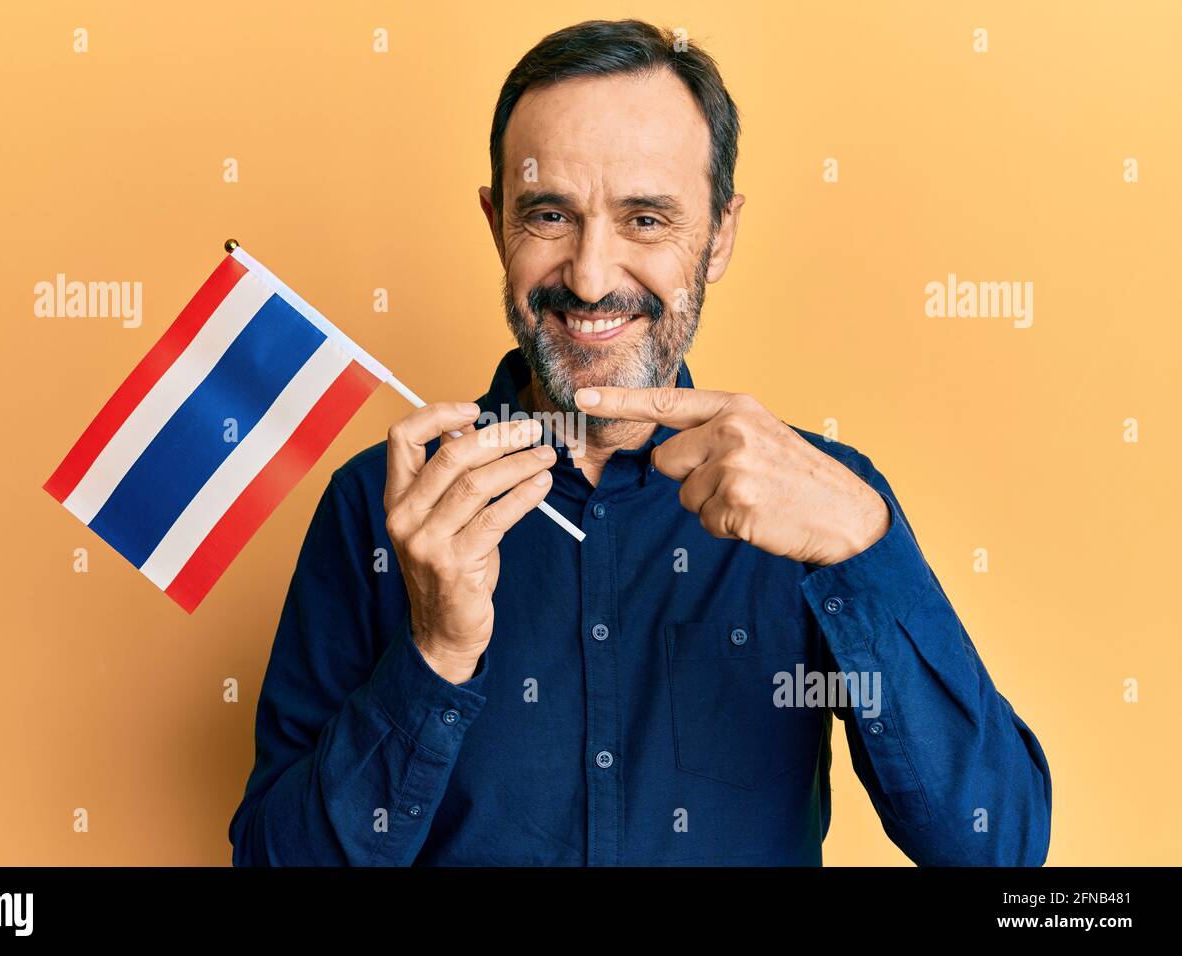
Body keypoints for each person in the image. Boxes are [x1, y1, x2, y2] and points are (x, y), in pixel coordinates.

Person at [229, 19, 1052, 866]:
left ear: (720, 234)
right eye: (550, 215)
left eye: (647, 219)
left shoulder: (824, 505)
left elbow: (997, 848)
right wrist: (436, 655)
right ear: (495, 222)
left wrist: (864, 555)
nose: (590, 276)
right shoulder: (383, 506)